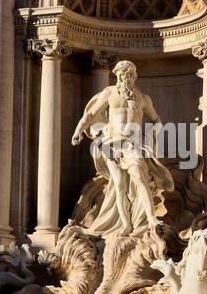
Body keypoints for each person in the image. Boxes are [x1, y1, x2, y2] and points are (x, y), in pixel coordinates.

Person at [71, 60, 173, 237]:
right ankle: (125, 224)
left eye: (130, 75)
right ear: (117, 75)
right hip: (111, 142)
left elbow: (157, 122)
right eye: (123, 75)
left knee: (140, 178)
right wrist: (78, 130)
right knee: (118, 184)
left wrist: (147, 138)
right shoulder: (109, 93)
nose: (126, 78)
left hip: (132, 143)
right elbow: (91, 114)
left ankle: (151, 219)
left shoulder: (142, 98)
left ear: (134, 76)